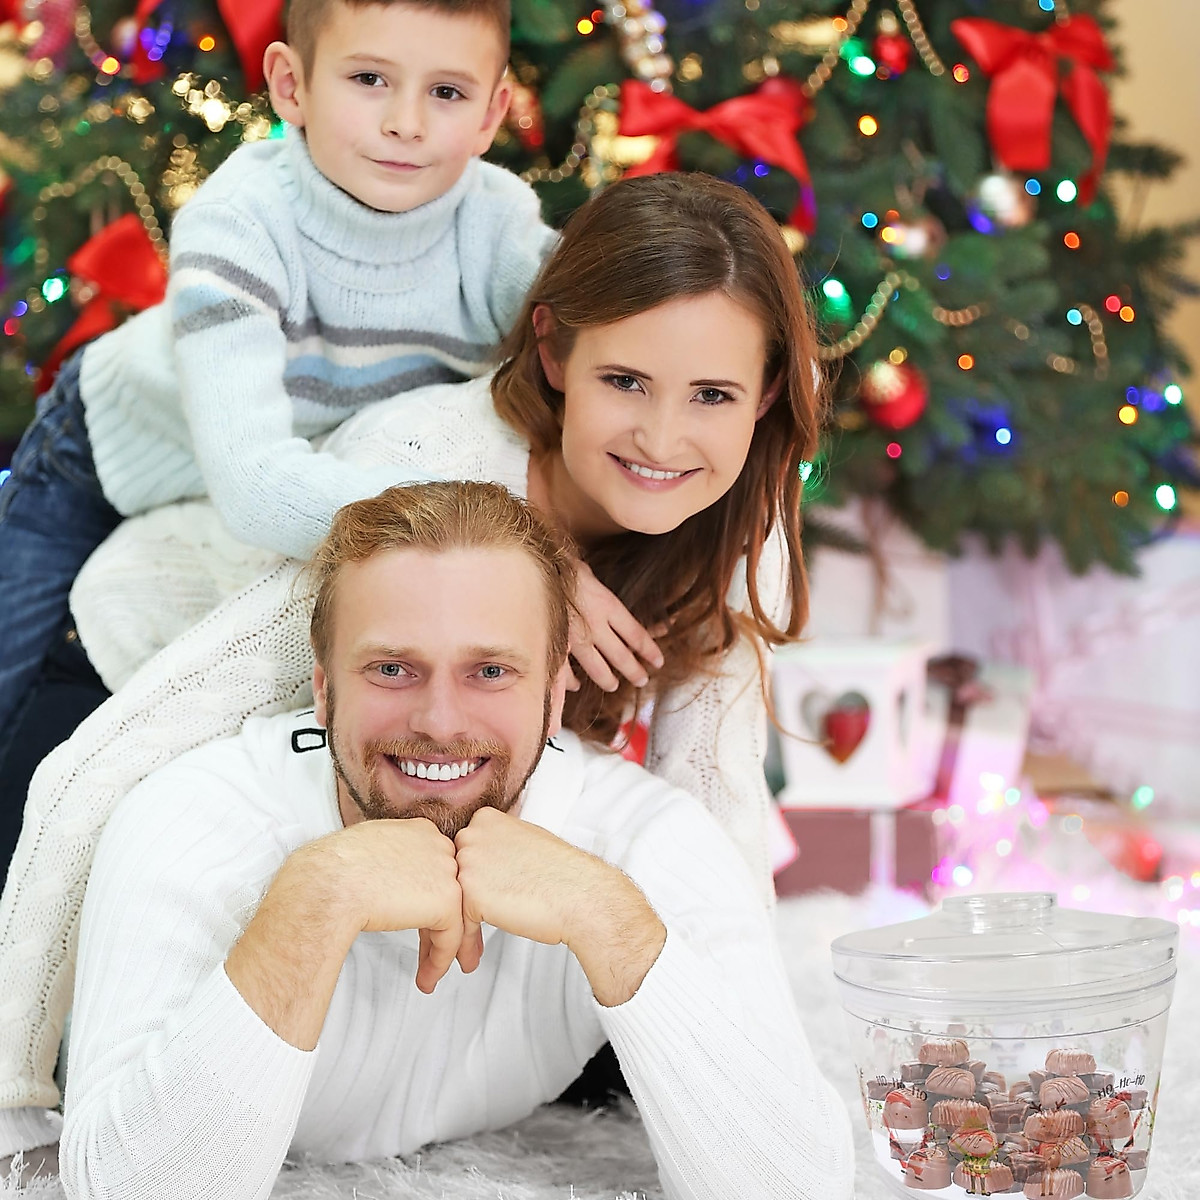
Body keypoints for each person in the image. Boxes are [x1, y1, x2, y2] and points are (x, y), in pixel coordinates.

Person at [0, 171, 821, 1155]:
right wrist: (15, 1093)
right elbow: (107, 763)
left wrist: (737, 1034)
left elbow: (715, 802)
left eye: (714, 394)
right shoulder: (425, 457)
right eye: (625, 381)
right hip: (138, 662)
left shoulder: (740, 518)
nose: (661, 435)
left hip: (379, 719)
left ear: (768, 392)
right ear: (556, 352)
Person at [57, 481, 854, 1199]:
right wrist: (315, 900)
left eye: (491, 672)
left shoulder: (643, 836)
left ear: (554, 697)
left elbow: (799, 1186)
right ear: (324, 690)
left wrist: (607, 917)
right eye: (393, 670)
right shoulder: (193, 817)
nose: (439, 721)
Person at [0, 0, 561, 780]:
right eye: (370, 78)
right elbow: (257, 488)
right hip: (105, 454)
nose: (407, 122)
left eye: (447, 92)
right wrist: (518, 549)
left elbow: (605, 344)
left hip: (294, 463)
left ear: (494, 111)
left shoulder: (498, 226)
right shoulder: (239, 221)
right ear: (291, 86)